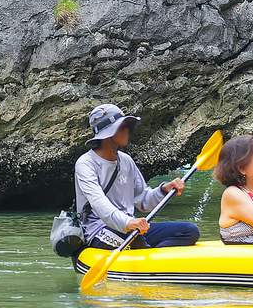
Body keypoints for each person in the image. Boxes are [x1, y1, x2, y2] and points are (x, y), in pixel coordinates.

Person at [74, 103, 199, 249]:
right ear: (107, 134)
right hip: (99, 230)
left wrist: (164, 189)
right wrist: (127, 223)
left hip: (133, 229)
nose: (127, 130)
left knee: (189, 231)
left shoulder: (126, 160)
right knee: (137, 240)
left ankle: (153, 260)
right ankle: (146, 253)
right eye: (122, 126)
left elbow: (143, 200)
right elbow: (100, 204)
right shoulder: (85, 164)